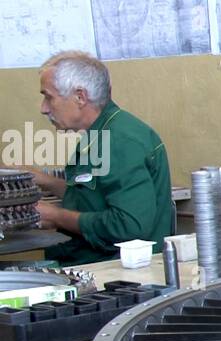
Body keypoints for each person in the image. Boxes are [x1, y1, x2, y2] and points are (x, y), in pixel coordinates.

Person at [31, 50, 174, 266]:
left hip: (120, 275)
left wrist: (56, 216)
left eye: (49, 97)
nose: (43, 108)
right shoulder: (102, 133)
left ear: (80, 97)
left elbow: (128, 225)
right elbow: (94, 195)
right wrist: (44, 181)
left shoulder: (120, 141)